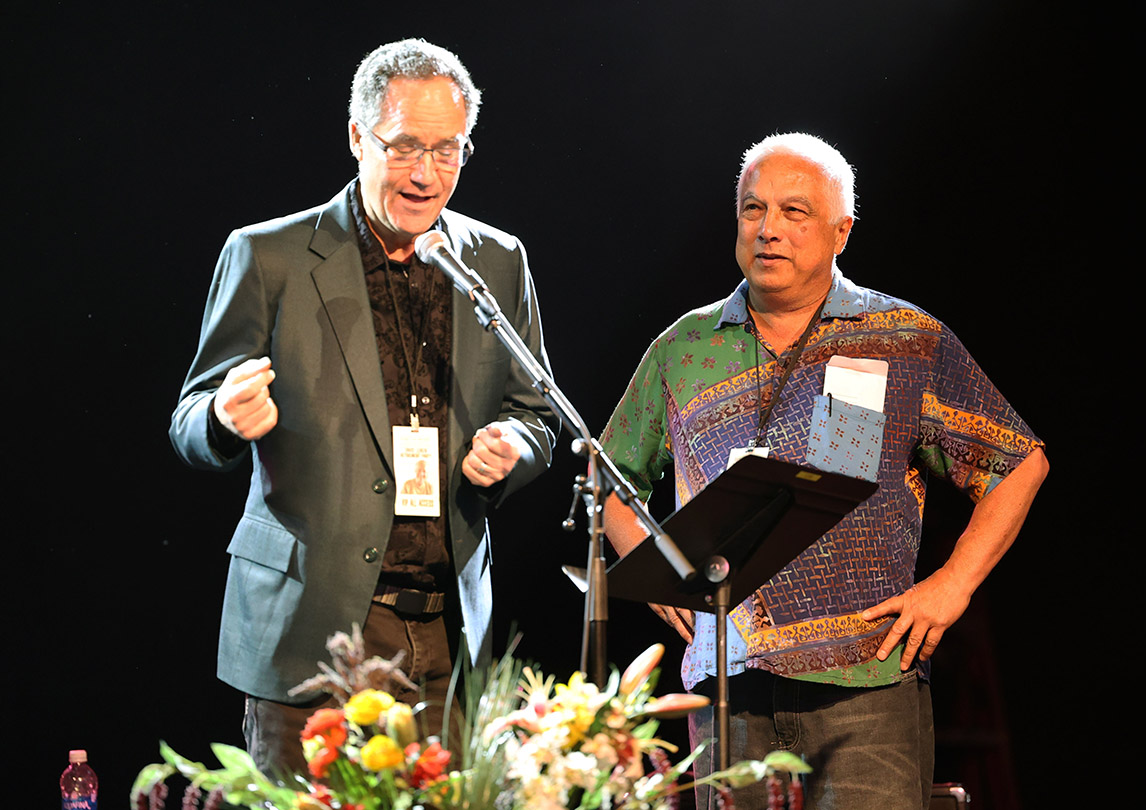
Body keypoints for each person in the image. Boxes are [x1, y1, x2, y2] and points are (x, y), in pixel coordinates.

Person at [600, 132, 1047, 809]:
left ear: (842, 230)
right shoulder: (682, 347)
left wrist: (952, 586)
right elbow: (607, 476)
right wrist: (652, 557)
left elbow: (1018, 462)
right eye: (753, 210)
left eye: (794, 212)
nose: (769, 229)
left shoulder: (903, 337)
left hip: (868, 685)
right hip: (729, 692)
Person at [169, 39, 559, 774]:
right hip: (313, 629)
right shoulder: (270, 256)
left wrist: (514, 442)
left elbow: (538, 410)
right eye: (405, 145)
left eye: (448, 151)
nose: (425, 174)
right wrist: (222, 418)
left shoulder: (498, 261)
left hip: (448, 633)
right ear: (356, 136)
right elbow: (188, 418)